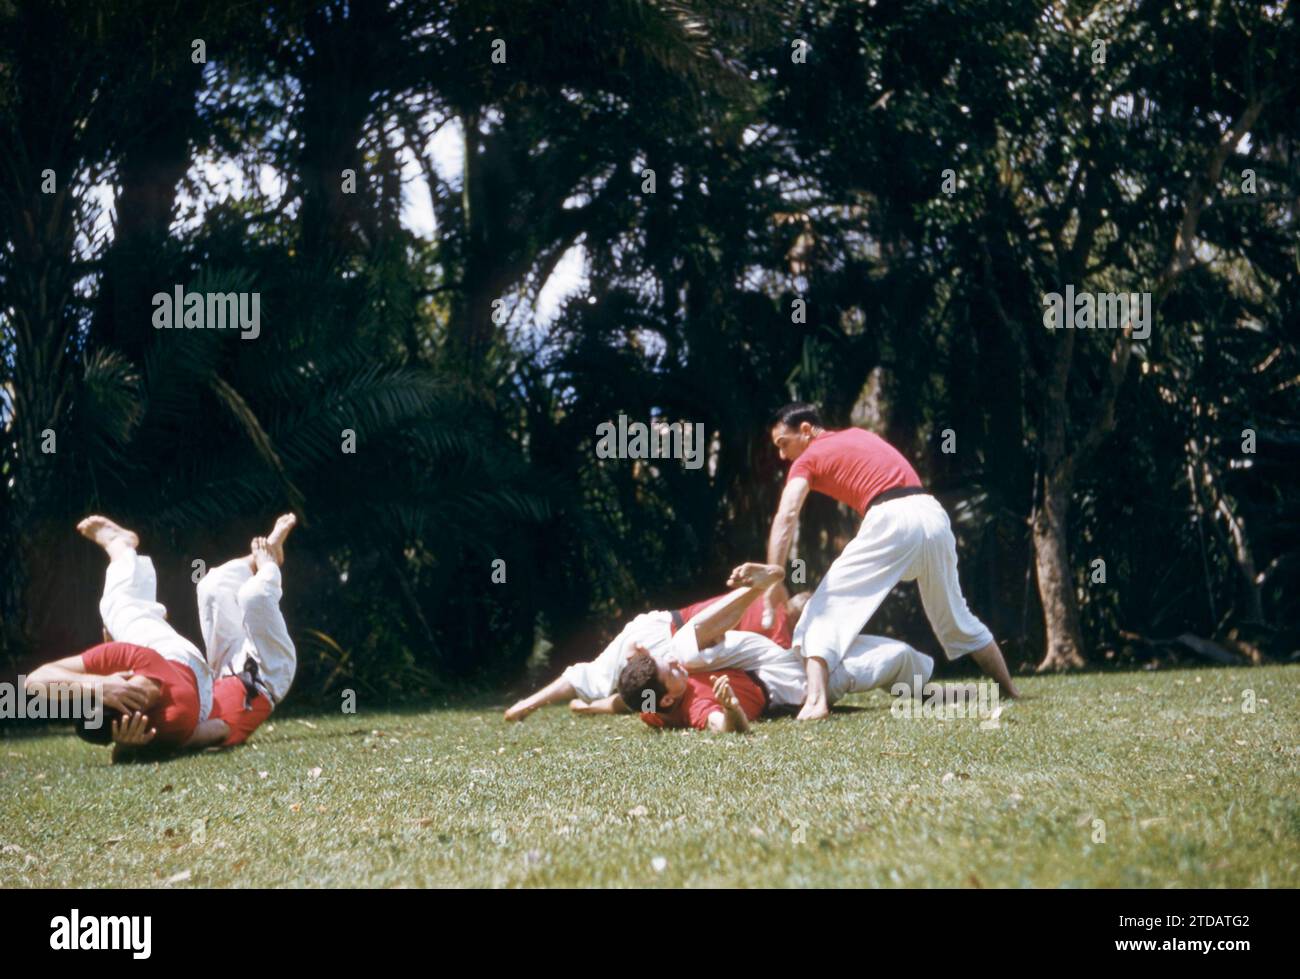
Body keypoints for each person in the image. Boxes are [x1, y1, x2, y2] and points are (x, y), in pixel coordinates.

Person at [761, 402, 1019, 722]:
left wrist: (774, 578)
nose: (783, 456)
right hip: (932, 514)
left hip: (892, 518)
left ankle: (815, 703)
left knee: (823, 608)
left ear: (805, 430)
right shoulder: (858, 434)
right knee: (955, 617)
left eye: (783, 444)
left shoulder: (809, 457)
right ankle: (1010, 691)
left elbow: (786, 515)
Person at [24, 515, 227, 761]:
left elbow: (33, 681)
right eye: (129, 698)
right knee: (118, 607)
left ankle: (123, 551)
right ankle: (120, 545)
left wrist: (97, 686)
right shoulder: (168, 715)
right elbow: (219, 728)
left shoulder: (127, 666)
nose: (135, 692)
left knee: (126, 614)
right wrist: (137, 746)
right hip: (175, 659)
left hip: (184, 672)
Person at [502, 577, 808, 722]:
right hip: (666, 634)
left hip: (661, 633)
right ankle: (530, 703)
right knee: (602, 678)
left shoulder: (776, 625)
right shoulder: (777, 626)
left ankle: (579, 705)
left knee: (635, 692)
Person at [196, 514, 298, 747]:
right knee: (254, 596)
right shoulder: (173, 729)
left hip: (223, 669)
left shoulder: (158, 711)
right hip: (266, 675)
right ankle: (269, 563)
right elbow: (220, 729)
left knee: (210, 587)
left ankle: (261, 557)